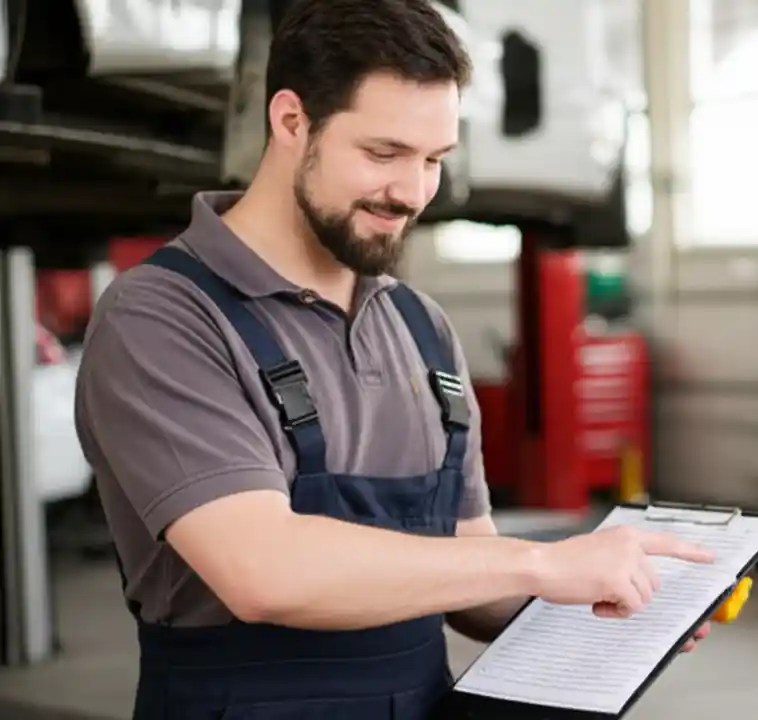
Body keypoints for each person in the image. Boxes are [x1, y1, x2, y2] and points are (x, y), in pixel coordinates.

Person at [74, 2, 713, 718]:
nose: (411, 192)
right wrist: (543, 560)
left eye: (434, 159)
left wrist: (615, 600)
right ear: (291, 122)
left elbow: (472, 573)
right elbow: (265, 571)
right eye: (383, 153)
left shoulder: (420, 327)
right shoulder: (163, 317)